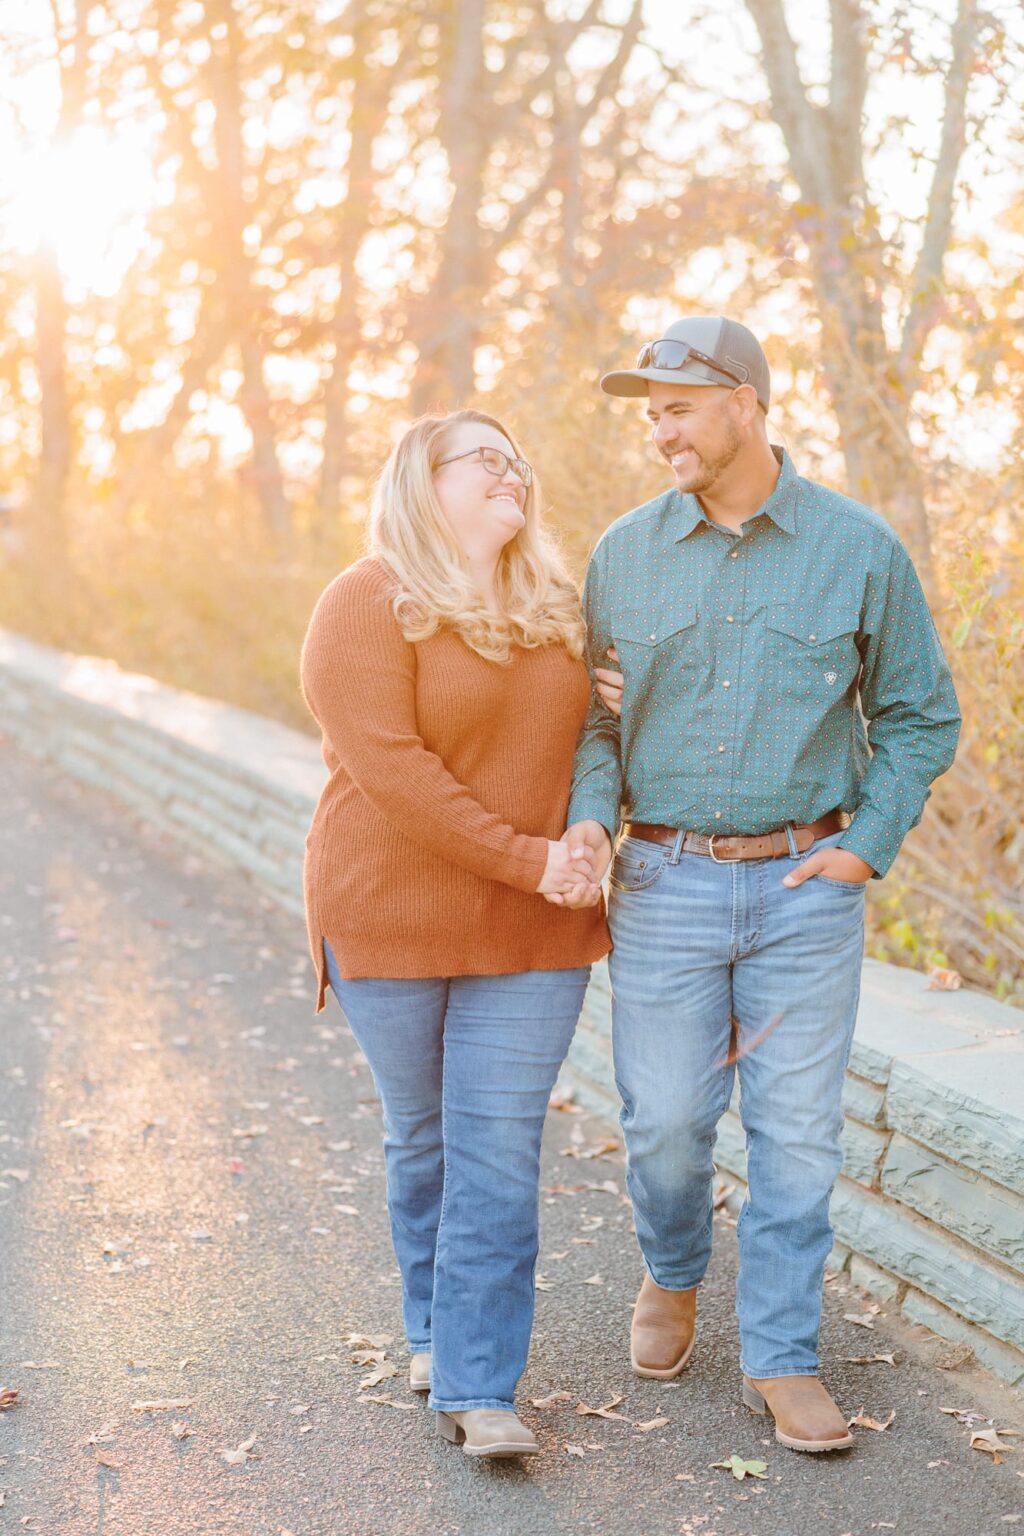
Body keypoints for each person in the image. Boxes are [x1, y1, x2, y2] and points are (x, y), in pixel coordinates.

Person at [556, 316, 960, 1453]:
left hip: (804, 891)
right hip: (665, 882)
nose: (658, 429)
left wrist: (862, 845)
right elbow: (595, 722)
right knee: (669, 1126)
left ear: (746, 403)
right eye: (649, 410)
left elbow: (922, 715)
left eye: (676, 406)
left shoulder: (859, 548)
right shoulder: (623, 554)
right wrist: (594, 817)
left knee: (796, 1137)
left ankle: (781, 1354)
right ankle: (674, 1271)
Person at [300, 409, 610, 1460]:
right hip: (388, 912)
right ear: (420, 481)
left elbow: (603, 738)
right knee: (425, 1139)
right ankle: (431, 1326)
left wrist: (590, 819)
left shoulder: (557, 612)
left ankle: (480, 1386)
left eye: (518, 459)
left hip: (534, 928)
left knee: (497, 1151)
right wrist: (531, 858)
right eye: (485, 458)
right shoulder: (367, 601)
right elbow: (393, 773)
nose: (510, 472)